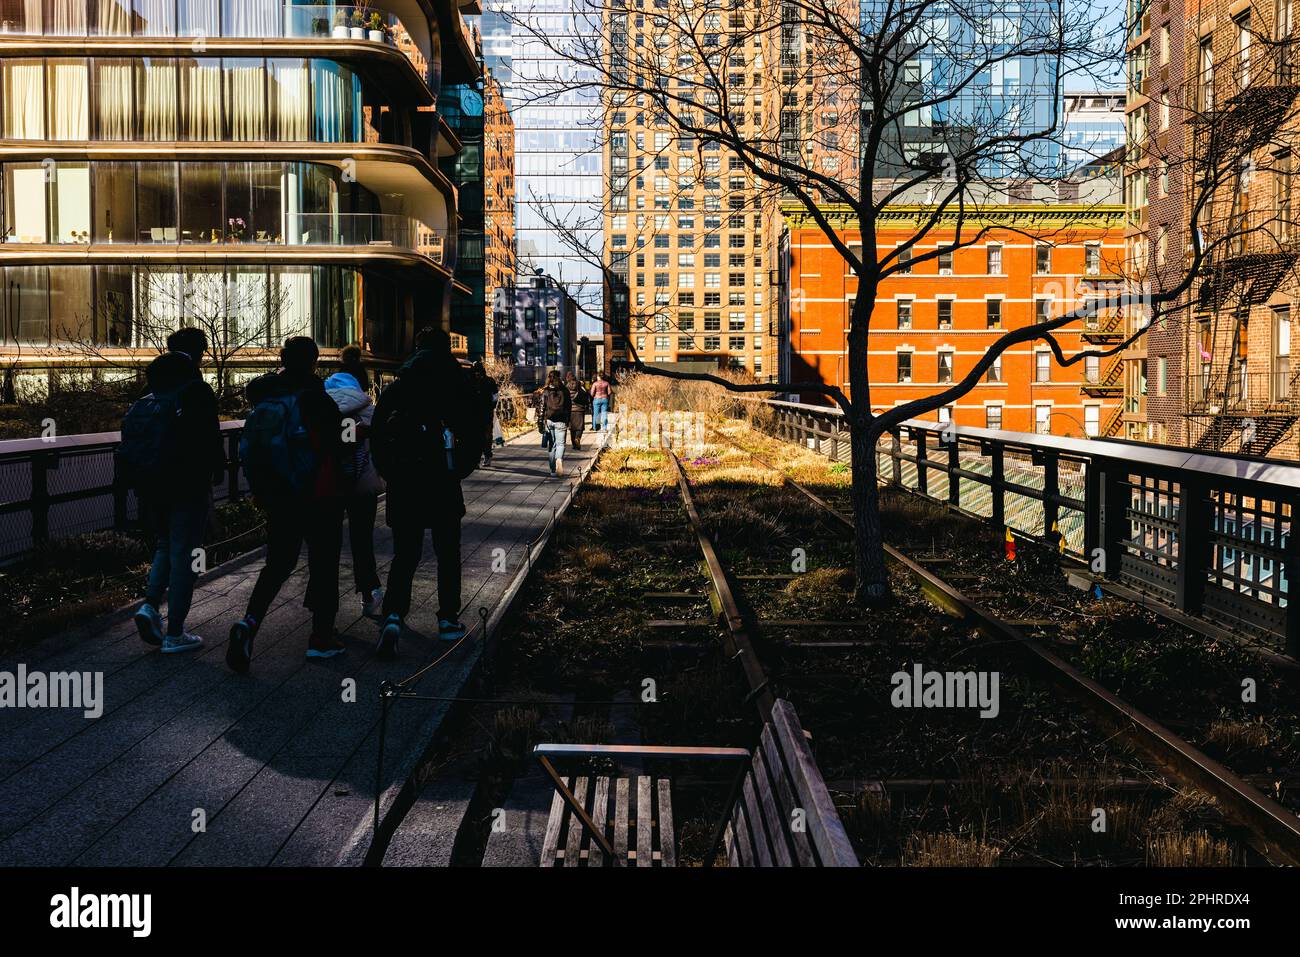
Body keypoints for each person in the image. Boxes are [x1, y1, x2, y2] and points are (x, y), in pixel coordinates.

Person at [226, 336, 346, 674]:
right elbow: (335, 446)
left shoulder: (267, 396)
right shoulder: (316, 397)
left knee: (277, 564)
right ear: (313, 362)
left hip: (279, 495)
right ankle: (322, 639)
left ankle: (249, 623)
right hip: (318, 496)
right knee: (324, 564)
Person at [369, 328, 476, 654]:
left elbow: (376, 436)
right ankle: (447, 620)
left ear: (417, 348)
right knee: (448, 553)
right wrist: (459, 470)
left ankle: (393, 615)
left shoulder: (397, 388)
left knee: (405, 554)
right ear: (446, 350)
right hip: (442, 482)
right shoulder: (457, 387)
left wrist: (390, 474)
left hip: (405, 482)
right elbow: (473, 434)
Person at [120, 327, 224, 654]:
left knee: (166, 545)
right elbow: (209, 439)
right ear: (198, 353)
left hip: (153, 486)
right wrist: (215, 472)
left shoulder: (149, 393)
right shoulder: (196, 391)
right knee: (187, 556)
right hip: (188, 485)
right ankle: (175, 633)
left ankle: (150, 606)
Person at [326, 344, 385, 619]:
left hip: (329, 484)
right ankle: (368, 591)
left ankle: (326, 610)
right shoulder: (368, 410)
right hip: (362, 482)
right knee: (362, 539)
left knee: (327, 544)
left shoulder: (321, 408)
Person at [538, 370, 571, 476]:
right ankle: (559, 460)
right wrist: (568, 420)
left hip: (549, 420)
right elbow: (569, 407)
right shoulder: (565, 391)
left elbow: (541, 408)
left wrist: (540, 422)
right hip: (561, 421)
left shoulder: (546, 391)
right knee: (561, 444)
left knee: (552, 445)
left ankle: (552, 471)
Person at [470, 360, 499, 465]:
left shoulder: (471, 381)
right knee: (486, 436)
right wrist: (492, 406)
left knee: (478, 436)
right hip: (485, 411)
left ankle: (479, 458)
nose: (476, 373)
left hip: (477, 412)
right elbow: (495, 396)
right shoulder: (489, 381)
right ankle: (486, 456)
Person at [565, 371, 591, 450]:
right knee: (580, 427)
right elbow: (586, 393)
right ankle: (578, 438)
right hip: (580, 409)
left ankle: (574, 444)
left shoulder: (566, 387)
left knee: (572, 427)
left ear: (567, 378)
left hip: (570, 410)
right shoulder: (579, 385)